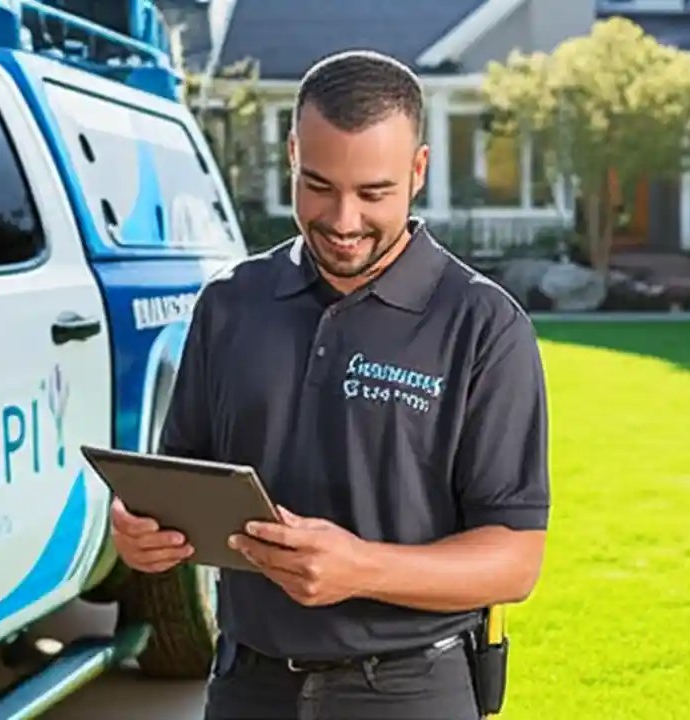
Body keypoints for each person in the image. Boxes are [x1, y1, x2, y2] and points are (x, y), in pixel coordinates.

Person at [108, 48, 551, 720]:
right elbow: (183, 483)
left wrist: (361, 568)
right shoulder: (230, 304)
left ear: (418, 171)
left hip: (409, 690)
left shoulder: (484, 325)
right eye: (318, 186)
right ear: (292, 154)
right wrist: (142, 531)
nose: (343, 221)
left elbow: (514, 560)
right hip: (247, 685)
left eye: (374, 193)